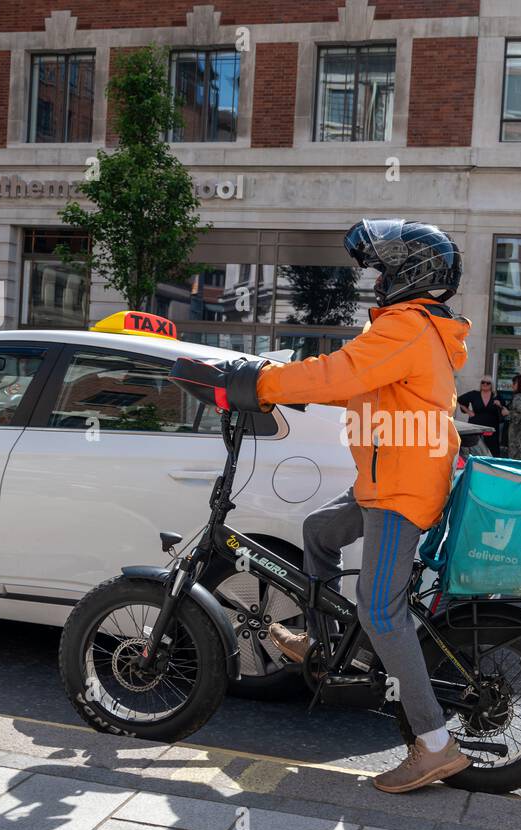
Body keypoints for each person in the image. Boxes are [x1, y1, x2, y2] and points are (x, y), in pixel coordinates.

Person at [195, 219, 473, 793]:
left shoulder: (406, 327)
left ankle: (435, 745)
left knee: (380, 609)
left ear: (407, 276)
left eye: (381, 273)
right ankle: (324, 643)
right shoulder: (413, 332)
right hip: (386, 480)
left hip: (400, 490)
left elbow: (340, 370)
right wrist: (274, 381)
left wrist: (259, 382)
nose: (374, 285)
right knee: (319, 532)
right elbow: (349, 385)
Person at [458, 378, 504, 455]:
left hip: (491, 428)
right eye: (483, 382)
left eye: (488, 383)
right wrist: (469, 411)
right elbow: (459, 399)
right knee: (474, 448)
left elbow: (504, 410)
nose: (485, 384)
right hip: (476, 426)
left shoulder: (496, 396)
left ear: (491, 385)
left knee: (492, 450)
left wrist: (499, 405)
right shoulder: (474, 394)